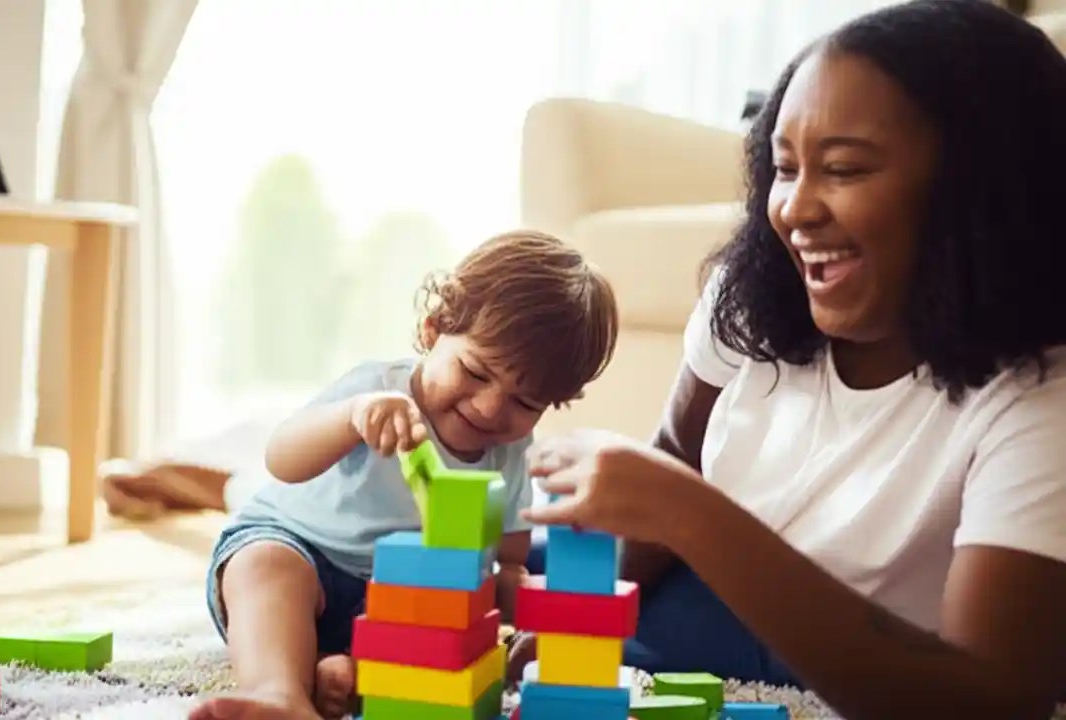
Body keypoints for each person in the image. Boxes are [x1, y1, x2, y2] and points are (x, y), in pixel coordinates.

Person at [512, 2, 1066, 718]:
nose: (794, 210)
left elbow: (994, 698)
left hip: (881, 659)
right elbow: (679, 450)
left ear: (980, 188)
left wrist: (691, 516)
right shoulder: (755, 296)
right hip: (698, 599)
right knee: (483, 565)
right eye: (783, 167)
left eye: (842, 169)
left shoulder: (1041, 399)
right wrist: (582, 620)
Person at [187, 231, 619, 720]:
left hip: (402, 606)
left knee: (432, 653)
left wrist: (549, 622)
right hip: (305, 555)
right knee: (265, 563)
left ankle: (335, 671)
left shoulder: (513, 453)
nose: (489, 408)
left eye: (526, 403)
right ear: (435, 330)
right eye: (476, 372)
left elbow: (505, 563)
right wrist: (352, 417)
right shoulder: (377, 390)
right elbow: (281, 459)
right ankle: (277, 692)